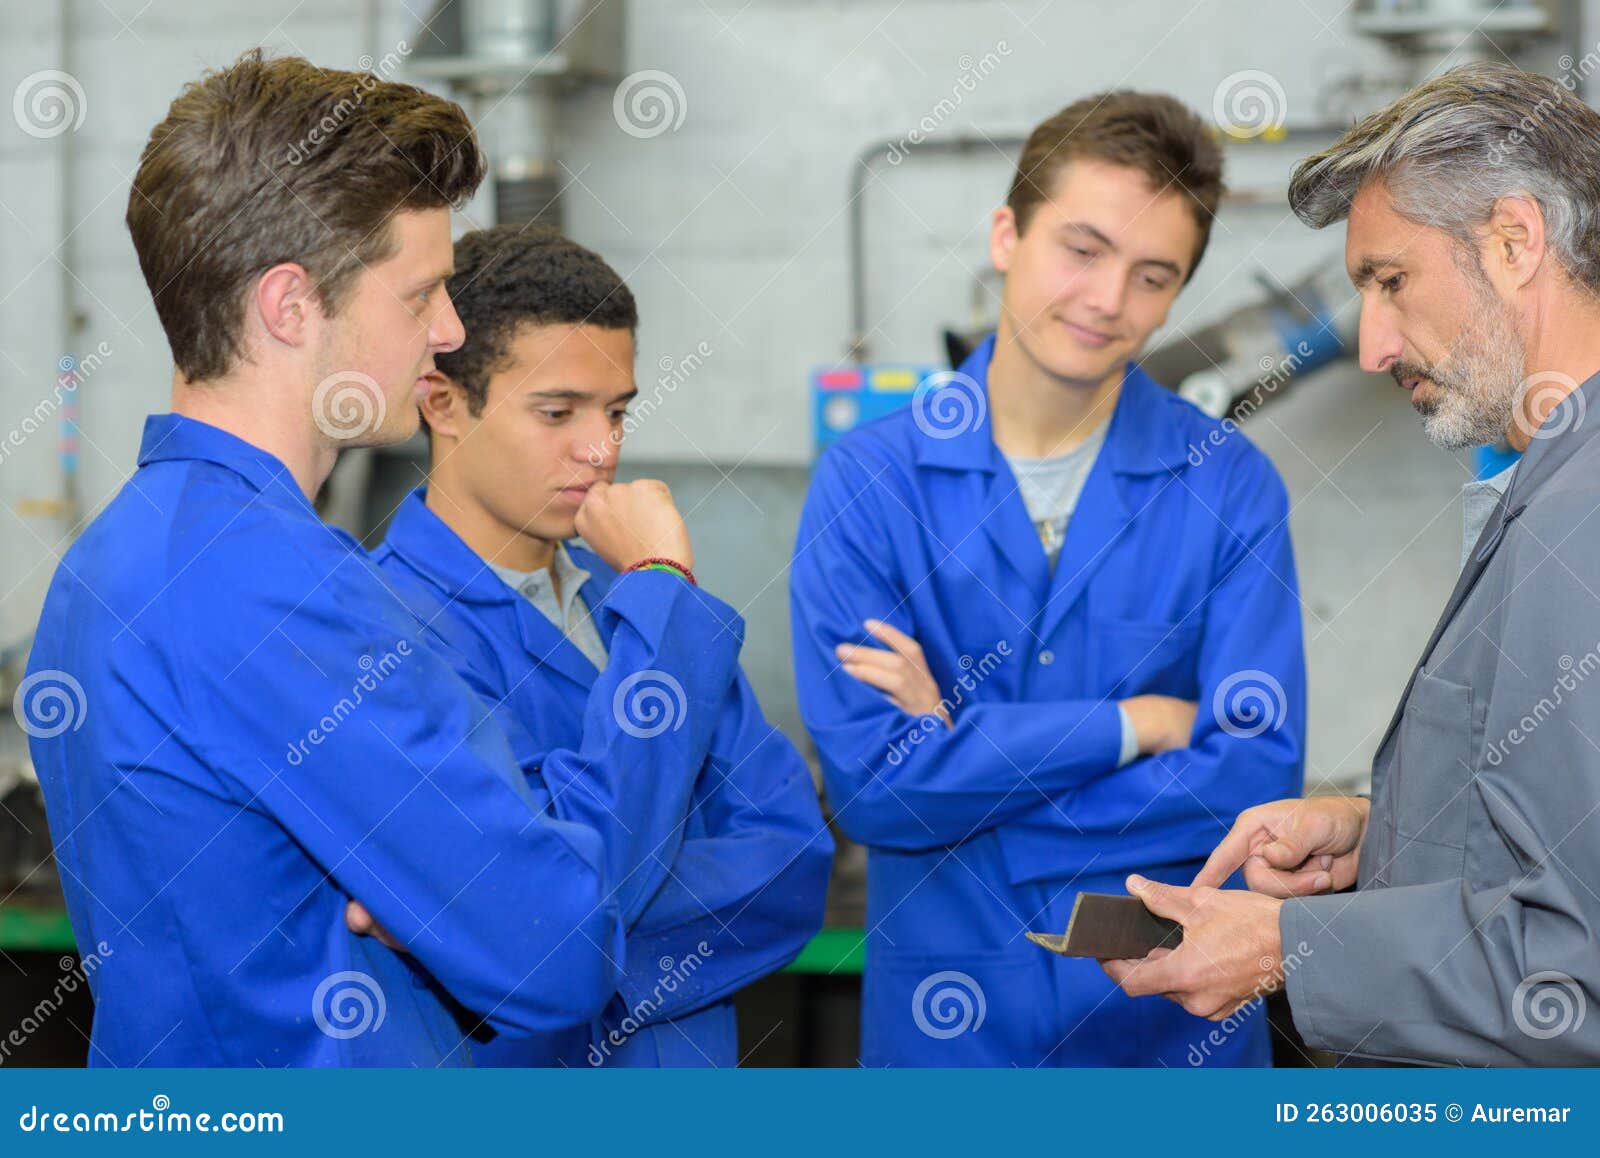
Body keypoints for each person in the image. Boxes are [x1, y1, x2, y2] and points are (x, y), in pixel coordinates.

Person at [21, 51, 637, 1066]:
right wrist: (466, 899)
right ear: (290, 306)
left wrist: (442, 900)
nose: (448, 332)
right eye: (420, 294)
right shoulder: (270, 582)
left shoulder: (118, 551)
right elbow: (556, 948)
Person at [790, 90, 1305, 1066]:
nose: (1109, 299)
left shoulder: (1228, 487)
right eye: (1081, 248)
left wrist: (958, 766)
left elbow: (1249, 776)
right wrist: (1137, 725)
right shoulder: (871, 484)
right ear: (1004, 234)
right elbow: (872, 793)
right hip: (946, 1045)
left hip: (1165, 1035)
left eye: (1152, 275)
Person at [1103, 62, 1600, 1065]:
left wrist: (1288, 945)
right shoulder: (1548, 485)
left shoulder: (1581, 516)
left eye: (1389, 279)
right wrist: (1381, 836)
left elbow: (1574, 975)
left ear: (1513, 242)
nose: (1371, 345)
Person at [368, 225, 833, 1066]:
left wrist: (568, 922)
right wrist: (552, 919)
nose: (602, 449)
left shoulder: (644, 603)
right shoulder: (383, 626)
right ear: (441, 402)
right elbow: (532, 915)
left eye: (616, 411)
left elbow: (793, 857)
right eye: (558, 413)